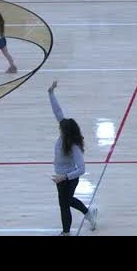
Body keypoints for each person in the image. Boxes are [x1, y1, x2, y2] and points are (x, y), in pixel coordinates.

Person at [48, 80, 98, 235]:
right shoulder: (64, 133)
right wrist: (51, 92)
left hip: (70, 178)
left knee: (65, 202)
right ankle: (87, 214)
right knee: (64, 203)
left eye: (61, 128)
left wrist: (65, 177)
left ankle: (67, 231)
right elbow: (58, 111)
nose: (59, 127)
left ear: (67, 132)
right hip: (60, 176)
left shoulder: (74, 147)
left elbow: (82, 169)